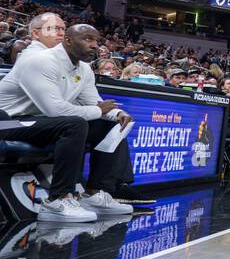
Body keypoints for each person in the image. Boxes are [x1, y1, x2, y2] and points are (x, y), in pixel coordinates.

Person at [0, 24, 136, 221]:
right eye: (88, 39)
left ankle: (95, 192)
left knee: (111, 126)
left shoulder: (84, 69)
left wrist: (117, 114)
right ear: (68, 40)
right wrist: (99, 110)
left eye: (96, 41)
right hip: (9, 122)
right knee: (75, 123)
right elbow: (54, 110)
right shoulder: (42, 61)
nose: (95, 45)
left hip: (39, 122)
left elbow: (93, 102)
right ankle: (57, 200)